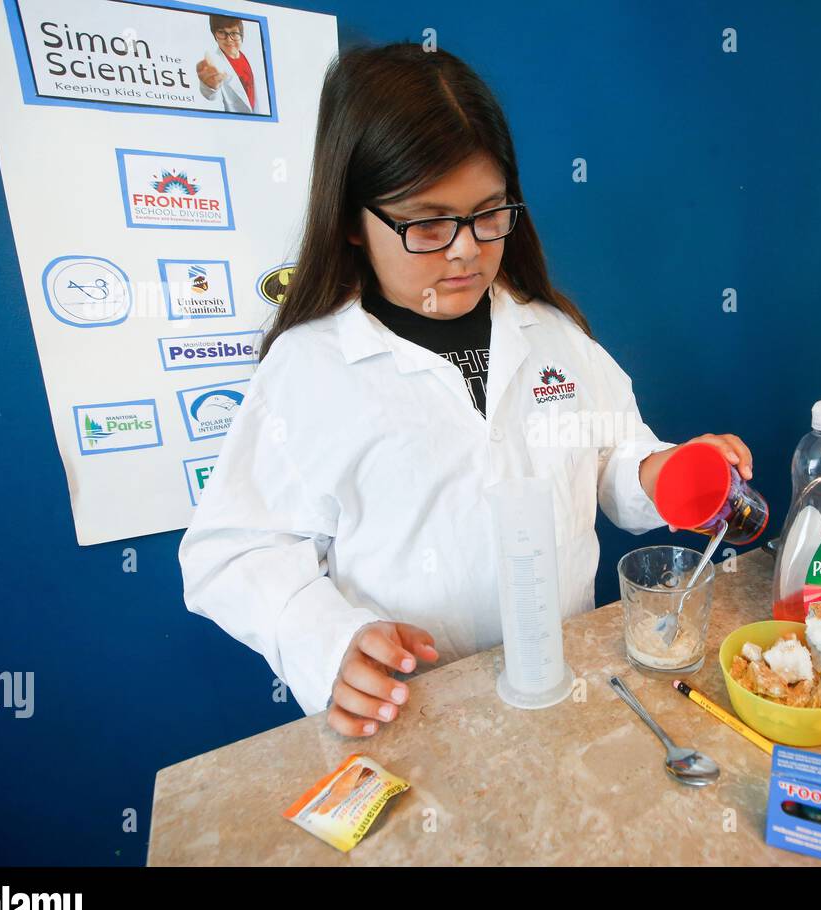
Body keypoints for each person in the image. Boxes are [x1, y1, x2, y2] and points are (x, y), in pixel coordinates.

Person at [178, 43, 754, 737]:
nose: (465, 250)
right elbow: (232, 551)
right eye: (427, 223)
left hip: (558, 691)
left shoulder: (551, 334)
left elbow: (609, 456)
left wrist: (662, 472)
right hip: (416, 715)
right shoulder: (309, 371)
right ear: (353, 224)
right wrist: (324, 640)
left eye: (488, 215)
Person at [195, 15, 266, 115]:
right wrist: (209, 86)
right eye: (221, 32)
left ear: (241, 34)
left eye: (234, 33)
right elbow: (211, 96)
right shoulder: (214, 63)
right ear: (214, 35)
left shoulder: (254, 57)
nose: (229, 40)